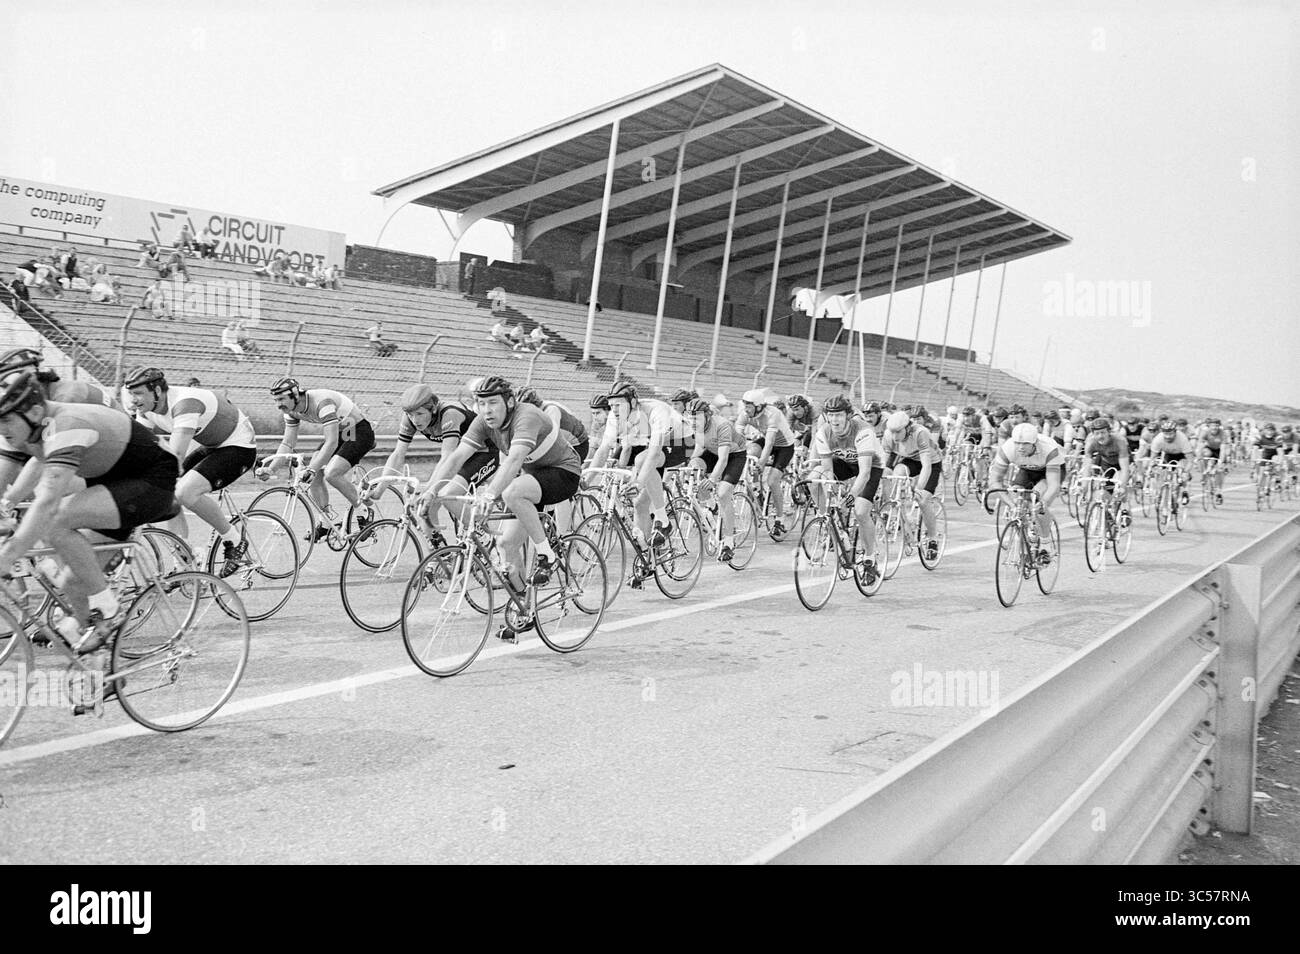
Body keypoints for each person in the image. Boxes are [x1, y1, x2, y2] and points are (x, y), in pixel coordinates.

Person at [0, 369, 178, 650]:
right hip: (115, 481)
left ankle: (109, 609)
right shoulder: (40, 425)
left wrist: (8, 555)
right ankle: (100, 664)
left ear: (33, 411)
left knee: (55, 519)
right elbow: (38, 464)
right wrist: (7, 504)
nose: (2, 429)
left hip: (152, 479)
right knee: (73, 583)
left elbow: (47, 501)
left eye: (7, 420)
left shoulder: (67, 423)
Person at [424, 376, 582, 641]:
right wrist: (430, 491)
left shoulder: (526, 415)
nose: (486, 410)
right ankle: (524, 608)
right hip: (532, 477)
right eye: (481, 403)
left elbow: (513, 461)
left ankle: (548, 555)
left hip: (563, 472)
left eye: (493, 403)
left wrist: (489, 494)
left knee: (512, 491)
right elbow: (456, 458)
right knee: (506, 545)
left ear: (509, 402)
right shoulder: (482, 422)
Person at [122, 367, 259, 573]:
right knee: (167, 494)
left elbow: (175, 455)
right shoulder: (146, 409)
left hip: (238, 446)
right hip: (211, 445)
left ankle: (234, 539)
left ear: (158, 391)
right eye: (131, 394)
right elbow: (139, 448)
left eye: (138, 393)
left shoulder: (185, 403)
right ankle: (184, 562)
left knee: (185, 492)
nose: (133, 400)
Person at [266, 378, 376, 540]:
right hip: (341, 431)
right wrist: (271, 469)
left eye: (281, 399)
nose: (278, 405)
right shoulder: (290, 410)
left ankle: (364, 512)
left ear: (295, 395)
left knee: (331, 473)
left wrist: (312, 468)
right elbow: (288, 443)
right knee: (315, 475)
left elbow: (331, 442)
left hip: (357, 430)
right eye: (275, 400)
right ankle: (326, 523)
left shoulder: (322, 402)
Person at [590, 381, 685, 555]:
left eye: (618, 405)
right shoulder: (615, 417)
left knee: (642, 460)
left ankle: (663, 520)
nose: (614, 409)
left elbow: (654, 453)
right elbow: (603, 449)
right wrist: (585, 480)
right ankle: (647, 558)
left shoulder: (656, 411)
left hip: (680, 443)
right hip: (652, 445)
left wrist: (639, 482)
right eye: (611, 406)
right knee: (639, 504)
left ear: (633, 402)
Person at [376, 383, 475, 544]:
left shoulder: (450, 414)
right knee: (426, 509)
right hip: (457, 455)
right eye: (411, 415)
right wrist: (380, 489)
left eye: (420, 414)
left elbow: (447, 456)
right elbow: (398, 454)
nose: (415, 420)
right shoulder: (410, 417)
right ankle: (440, 557)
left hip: (481, 452)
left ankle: (478, 533)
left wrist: (429, 489)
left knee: (443, 495)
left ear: (433, 408)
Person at [812, 394, 885, 583]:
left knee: (860, 512)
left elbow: (865, 472)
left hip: (870, 466)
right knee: (815, 477)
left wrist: (852, 495)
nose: (834, 419)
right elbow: (828, 469)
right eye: (831, 415)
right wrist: (832, 498)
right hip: (845, 462)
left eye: (839, 415)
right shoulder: (823, 432)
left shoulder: (863, 430)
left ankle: (869, 559)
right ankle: (831, 522)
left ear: (848, 416)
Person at [988, 421, 1064, 566]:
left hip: (1048, 471)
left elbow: (1054, 485)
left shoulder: (1049, 449)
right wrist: (1011, 504)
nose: (1020, 447)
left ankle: (1046, 544)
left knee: (1038, 499)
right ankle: (1024, 547)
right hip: (1027, 470)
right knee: (1018, 502)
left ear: (1034, 443)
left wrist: (1043, 504)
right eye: (1018, 443)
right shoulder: (1007, 449)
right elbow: (995, 482)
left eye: (1025, 444)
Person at [687, 397, 747, 563]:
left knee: (723, 494)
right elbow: (698, 449)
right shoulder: (695, 427)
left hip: (734, 455)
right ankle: (712, 507)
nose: (692, 421)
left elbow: (724, 459)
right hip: (713, 452)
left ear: (707, 416)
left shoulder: (722, 425)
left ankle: (728, 542)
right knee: (693, 466)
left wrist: (713, 479)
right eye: (690, 417)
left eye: (696, 417)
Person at [881, 409, 943, 560]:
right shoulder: (888, 435)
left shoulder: (920, 433)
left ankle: (933, 539)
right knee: (896, 474)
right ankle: (903, 518)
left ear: (907, 428)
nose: (895, 436)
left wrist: (920, 488)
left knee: (923, 500)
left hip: (931, 463)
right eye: (892, 432)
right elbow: (885, 463)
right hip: (910, 460)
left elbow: (926, 466)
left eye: (898, 432)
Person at [738, 388, 797, 536]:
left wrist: (762, 464)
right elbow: (737, 437)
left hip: (784, 446)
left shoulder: (773, 414)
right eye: (745, 405)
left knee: (772, 481)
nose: (746, 409)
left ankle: (780, 519)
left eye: (749, 406)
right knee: (751, 453)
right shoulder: (745, 414)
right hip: (767, 440)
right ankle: (757, 489)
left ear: (759, 406)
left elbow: (770, 443)